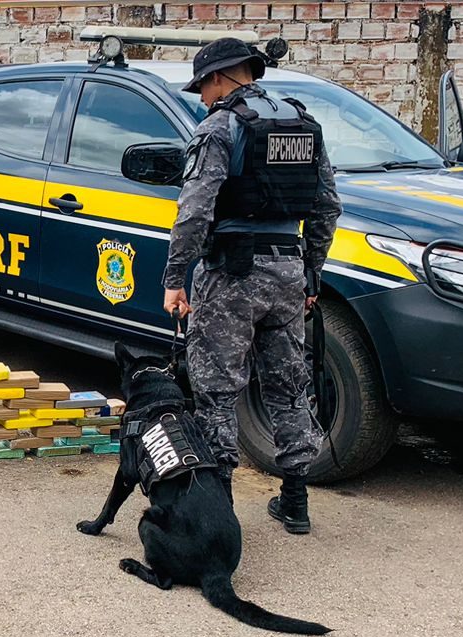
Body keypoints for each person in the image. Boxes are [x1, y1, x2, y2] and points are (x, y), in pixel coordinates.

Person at [160, 38, 339, 535]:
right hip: (288, 272)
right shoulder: (303, 123)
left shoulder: (219, 127)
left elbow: (194, 211)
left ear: (219, 78)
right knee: (289, 386)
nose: (202, 98)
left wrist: (174, 279)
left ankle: (220, 507)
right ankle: (295, 501)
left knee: (216, 390)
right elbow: (327, 207)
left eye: (202, 87)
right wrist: (311, 273)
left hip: (231, 276)